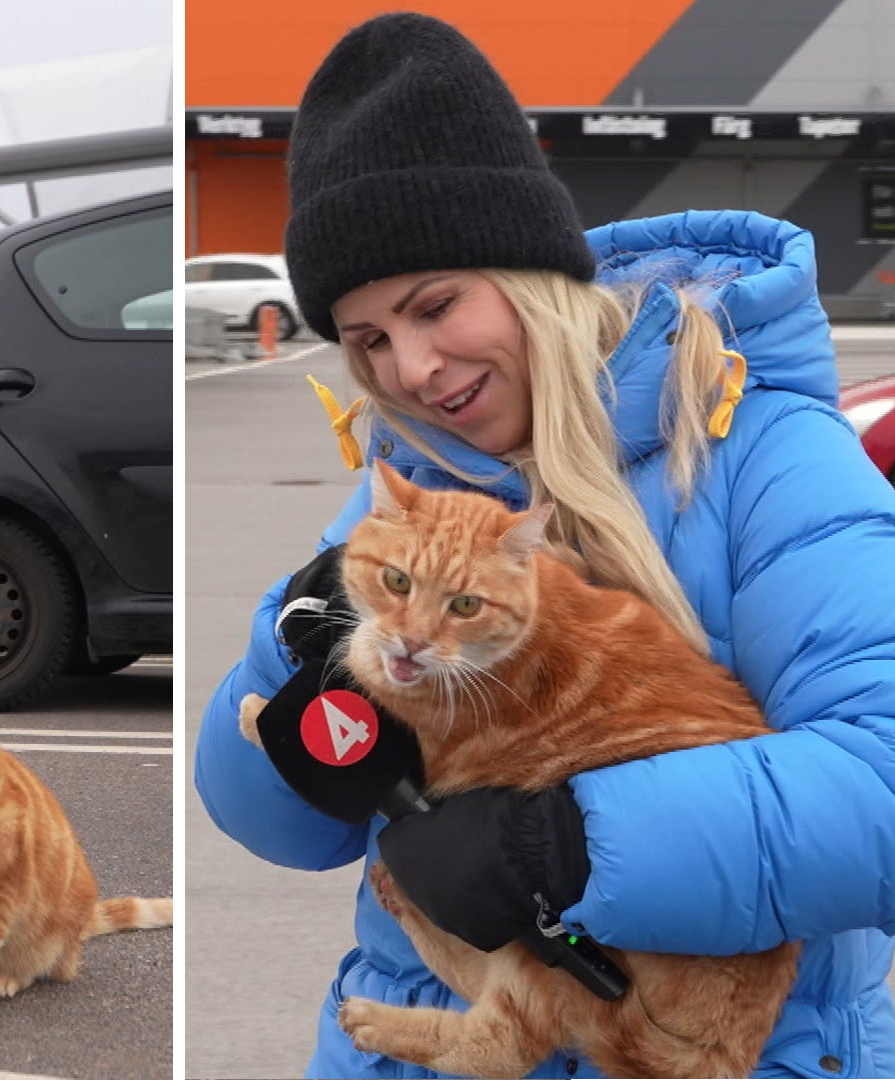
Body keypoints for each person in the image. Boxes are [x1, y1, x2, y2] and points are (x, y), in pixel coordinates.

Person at [193, 13, 895, 1078]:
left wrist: (572, 840)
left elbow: (881, 780)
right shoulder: (412, 480)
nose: (415, 369)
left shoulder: (760, 452)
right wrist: (284, 658)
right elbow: (286, 828)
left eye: (437, 305)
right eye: (369, 339)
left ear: (530, 277)